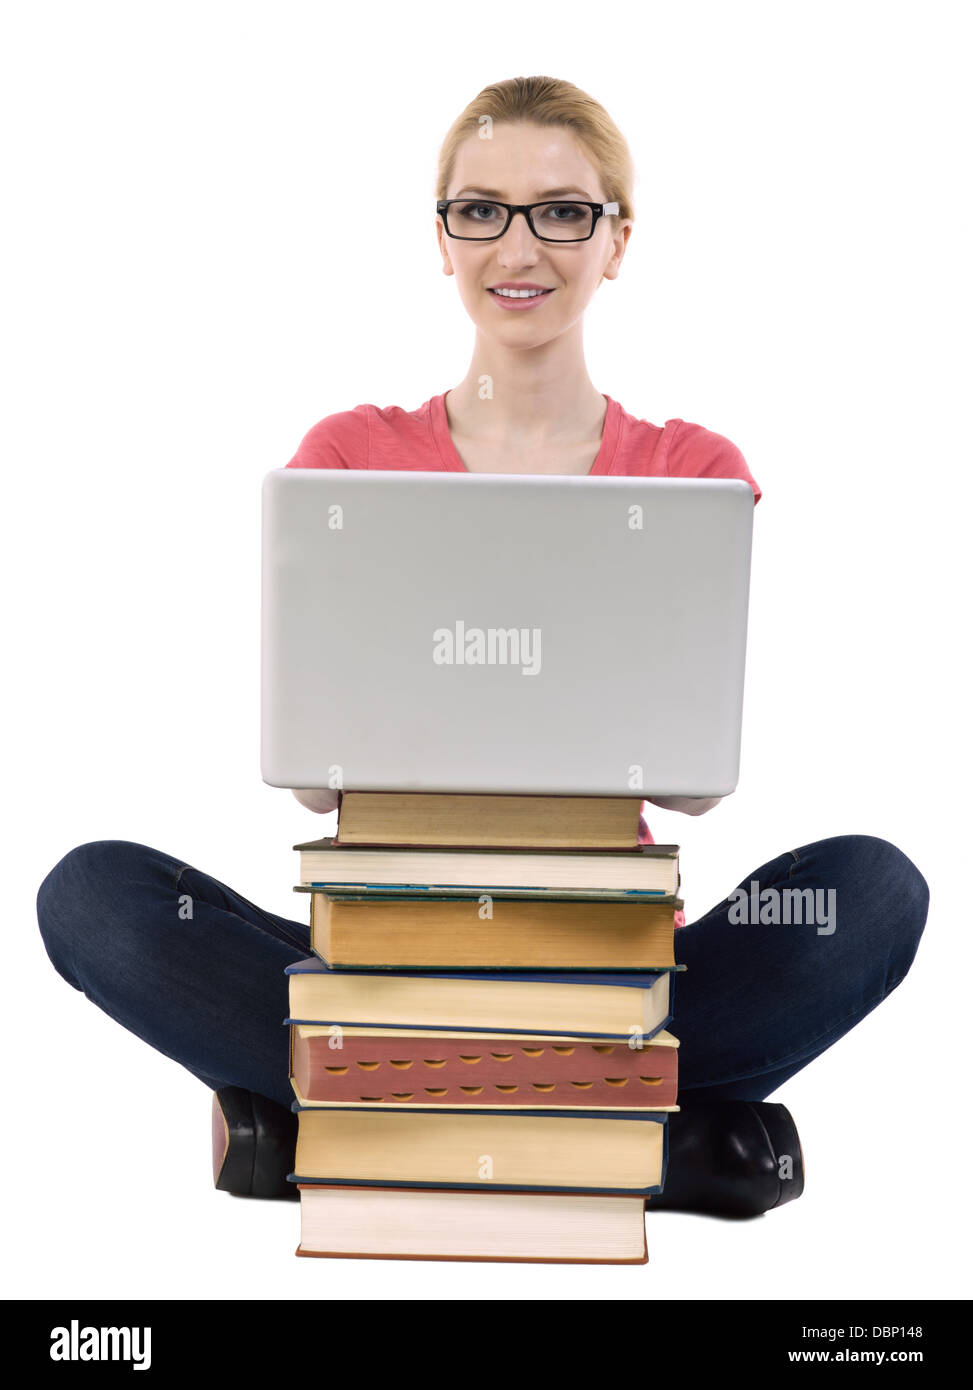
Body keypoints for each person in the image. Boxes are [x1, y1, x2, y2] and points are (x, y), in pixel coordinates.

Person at [36, 76, 929, 1218]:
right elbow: (313, 778)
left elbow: (694, 784)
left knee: (868, 893)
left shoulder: (690, 470)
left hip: (608, 968)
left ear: (617, 242)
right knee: (97, 897)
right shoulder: (349, 455)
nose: (519, 244)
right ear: (441, 237)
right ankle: (663, 1145)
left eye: (562, 211)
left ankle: (334, 1127)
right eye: (480, 209)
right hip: (381, 960)